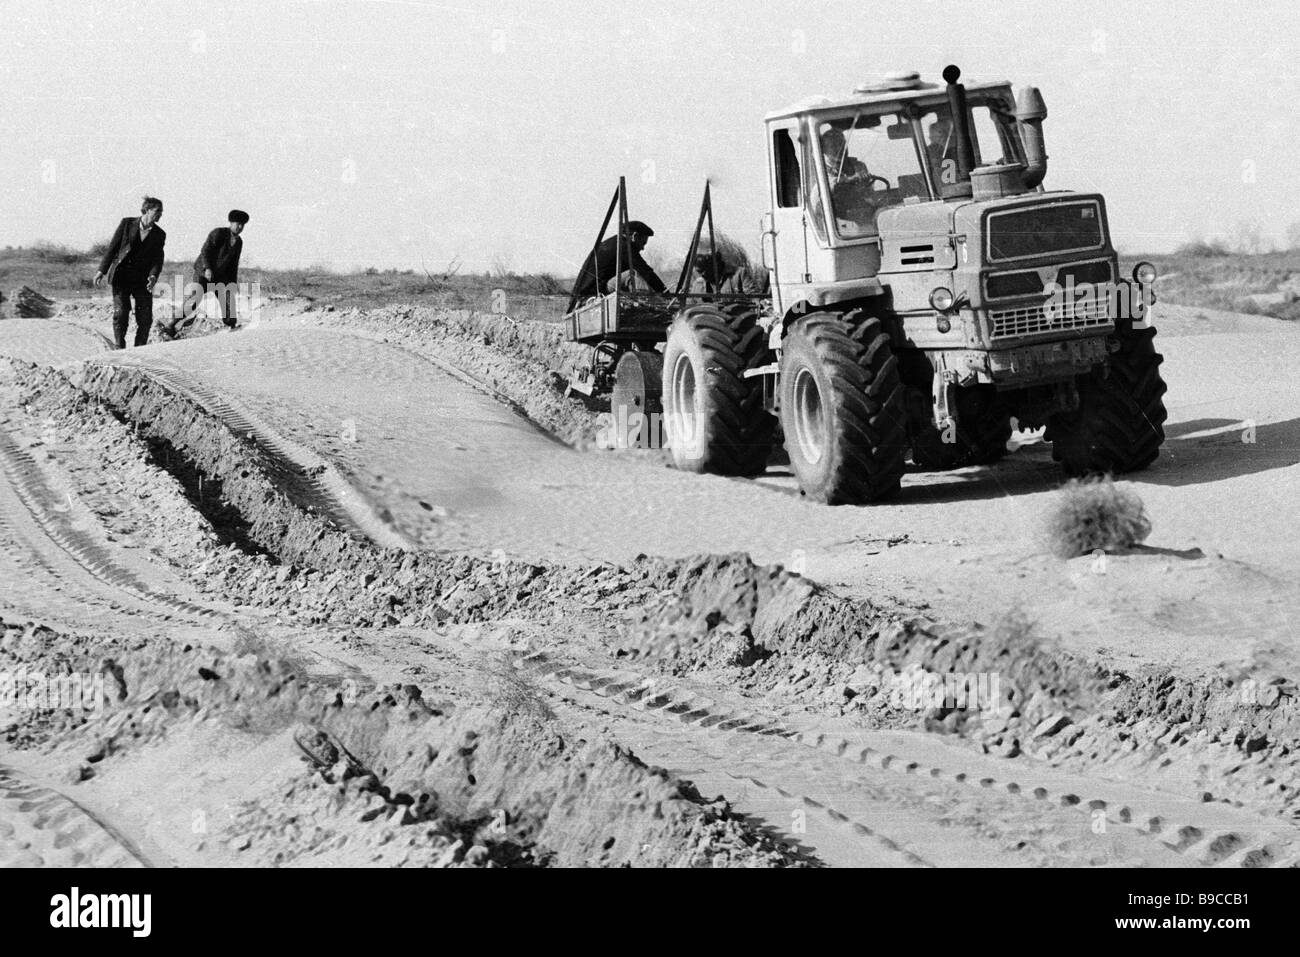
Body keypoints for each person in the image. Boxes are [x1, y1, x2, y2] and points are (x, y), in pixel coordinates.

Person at [160, 209, 248, 339]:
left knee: (228, 298)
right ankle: (171, 324)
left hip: (219, 275)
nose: (240, 227)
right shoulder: (218, 233)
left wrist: (232, 283)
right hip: (203, 272)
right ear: (231, 223)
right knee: (194, 299)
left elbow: (233, 265)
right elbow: (205, 250)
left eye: (242, 225)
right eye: (237, 224)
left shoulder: (239, 242)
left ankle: (232, 326)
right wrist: (207, 268)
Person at [93, 196, 166, 348]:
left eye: (161, 211)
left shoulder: (160, 234)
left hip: (142, 280)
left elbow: (157, 259)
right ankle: (120, 347)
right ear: (147, 210)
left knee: (145, 318)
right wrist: (102, 270)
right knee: (121, 313)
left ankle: (140, 349)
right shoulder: (127, 224)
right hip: (121, 277)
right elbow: (113, 247)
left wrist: (153, 276)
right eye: (157, 211)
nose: (160, 214)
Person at [570, 220, 667, 302]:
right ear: (634, 236)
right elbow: (644, 270)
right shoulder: (623, 246)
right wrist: (665, 292)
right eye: (643, 243)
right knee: (632, 274)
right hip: (591, 295)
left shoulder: (615, 243)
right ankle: (649, 306)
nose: (643, 248)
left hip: (587, 293)